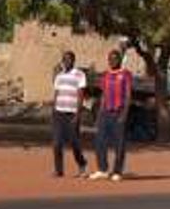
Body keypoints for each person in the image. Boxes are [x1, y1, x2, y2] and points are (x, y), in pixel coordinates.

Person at [92, 48, 134, 181]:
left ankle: (117, 171)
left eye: (115, 58)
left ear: (120, 60)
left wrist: (124, 114)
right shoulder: (106, 75)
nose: (112, 61)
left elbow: (128, 95)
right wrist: (99, 115)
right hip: (105, 112)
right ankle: (102, 169)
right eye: (110, 58)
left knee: (119, 144)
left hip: (119, 112)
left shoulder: (126, 74)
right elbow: (103, 95)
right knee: (100, 141)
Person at [50, 51, 88, 179]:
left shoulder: (79, 75)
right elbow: (56, 93)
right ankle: (58, 170)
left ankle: (82, 164)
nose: (67, 62)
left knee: (74, 142)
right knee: (57, 143)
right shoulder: (59, 76)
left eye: (69, 59)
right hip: (59, 112)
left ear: (73, 60)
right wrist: (54, 109)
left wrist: (78, 114)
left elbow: (81, 94)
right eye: (64, 59)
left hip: (72, 113)